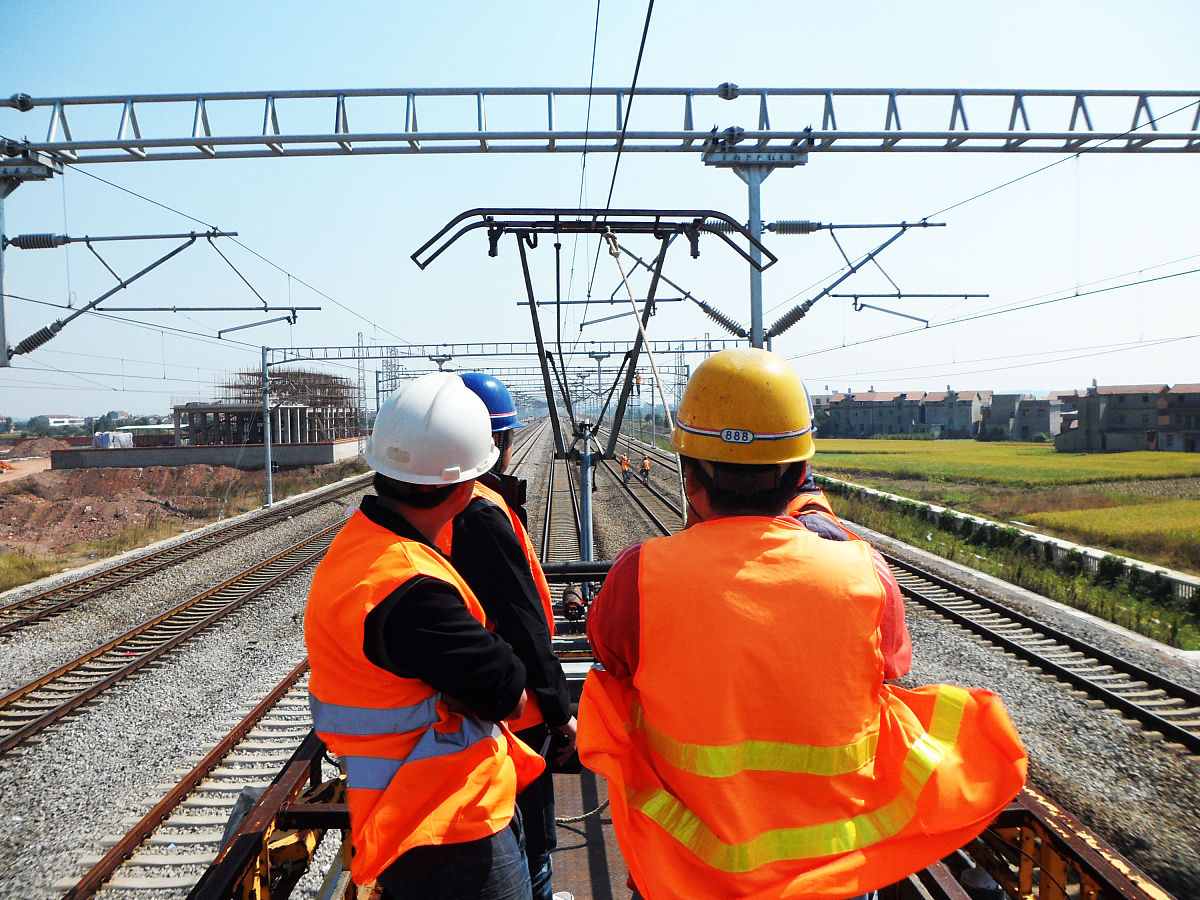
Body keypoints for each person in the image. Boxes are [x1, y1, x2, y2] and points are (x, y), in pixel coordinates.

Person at [577, 348, 1027, 900]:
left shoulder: (638, 578)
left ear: (689, 478)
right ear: (801, 475)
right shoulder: (866, 574)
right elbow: (889, 669)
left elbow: (612, 656)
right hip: (830, 872)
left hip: (685, 871)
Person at [305, 372, 545, 900]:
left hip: (416, 814)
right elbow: (507, 687)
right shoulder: (410, 587)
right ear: (465, 488)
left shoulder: (362, 549)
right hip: (445, 827)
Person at [439, 372, 577, 900]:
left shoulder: (448, 511)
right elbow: (525, 624)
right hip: (515, 709)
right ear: (497, 443)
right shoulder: (482, 514)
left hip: (472, 706)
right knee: (530, 838)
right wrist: (561, 711)